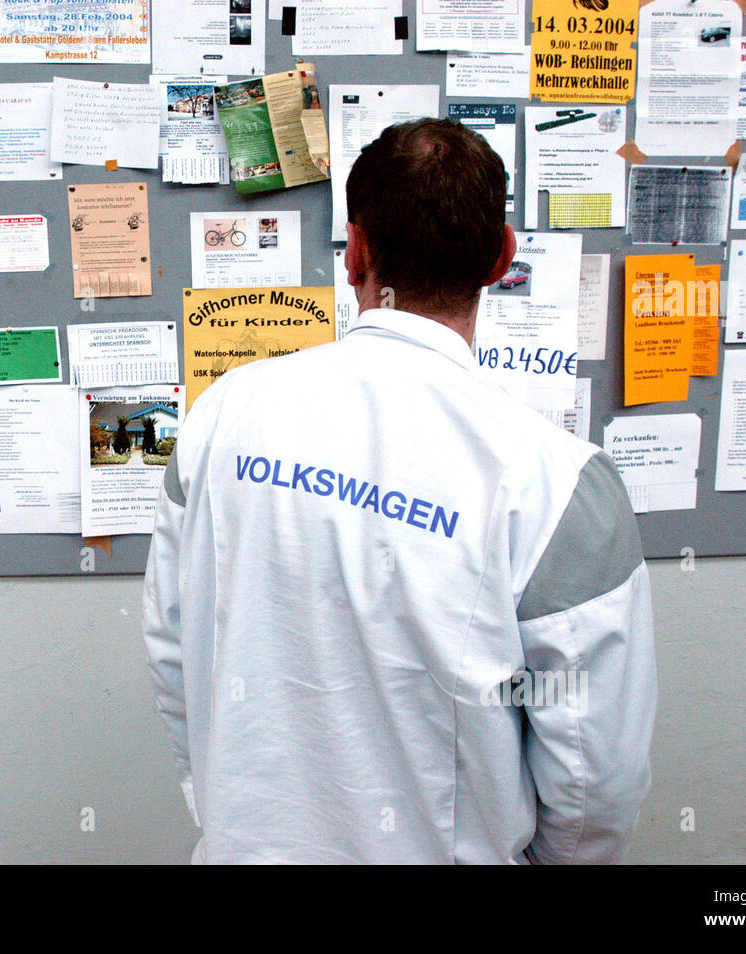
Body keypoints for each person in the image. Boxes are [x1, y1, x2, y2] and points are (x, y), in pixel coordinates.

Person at [142, 119, 657, 864]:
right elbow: (593, 768)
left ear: (355, 251)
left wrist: (227, 813)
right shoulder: (555, 481)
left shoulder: (225, 414)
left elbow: (173, 648)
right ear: (501, 257)